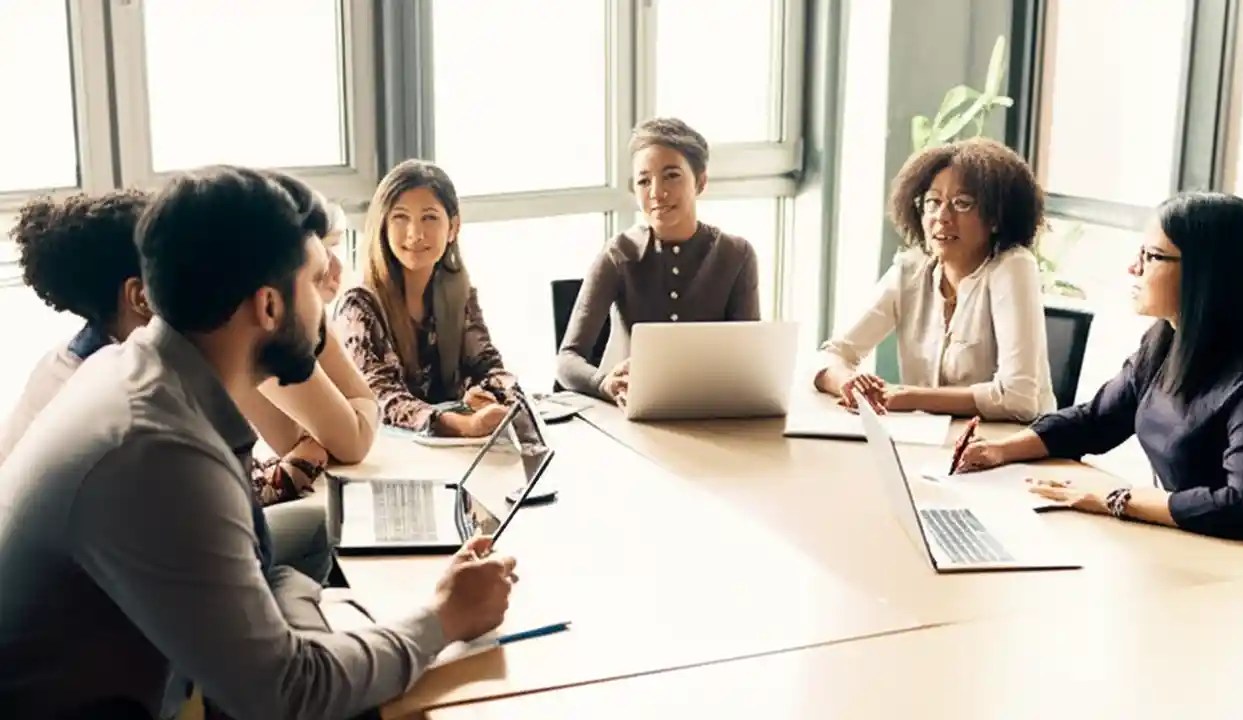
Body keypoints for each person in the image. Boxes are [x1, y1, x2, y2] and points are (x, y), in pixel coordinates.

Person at [0, 166, 517, 719]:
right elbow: (287, 694)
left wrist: (312, 622)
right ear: (269, 308)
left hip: (148, 681)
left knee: (320, 577)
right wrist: (444, 617)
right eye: (315, 281)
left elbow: (263, 572)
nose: (326, 303)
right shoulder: (157, 448)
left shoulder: (140, 370)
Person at [0, 188, 377, 583]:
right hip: (102, 589)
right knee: (324, 531)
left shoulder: (105, 358)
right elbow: (223, 495)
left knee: (318, 530)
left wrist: (296, 318)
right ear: (142, 297)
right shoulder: (126, 391)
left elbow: (285, 438)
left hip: (109, 569)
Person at [959, 192, 1243, 541]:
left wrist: (1116, 500)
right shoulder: (1164, 341)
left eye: (1151, 256)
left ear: (1206, 272)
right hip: (1192, 543)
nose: (1133, 268)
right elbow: (1095, 421)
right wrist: (999, 450)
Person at [814, 137, 1055, 422]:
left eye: (962, 204)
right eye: (933, 202)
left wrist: (909, 397)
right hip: (928, 439)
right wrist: (848, 383)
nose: (942, 216)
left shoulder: (1013, 267)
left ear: (996, 218)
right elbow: (832, 353)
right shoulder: (911, 270)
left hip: (1009, 442)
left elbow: (1019, 399)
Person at [555, 117, 761, 404]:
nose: (656, 193)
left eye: (671, 176)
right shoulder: (618, 254)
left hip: (713, 409)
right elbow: (567, 360)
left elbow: (750, 358)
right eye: (644, 181)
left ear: (700, 182)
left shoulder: (737, 254)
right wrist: (603, 383)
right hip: (632, 414)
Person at [335, 159, 517, 436]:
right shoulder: (358, 306)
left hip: (453, 449)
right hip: (382, 452)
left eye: (429, 218)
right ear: (382, 225)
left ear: (453, 227)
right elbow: (382, 397)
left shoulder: (459, 293)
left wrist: (488, 395)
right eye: (400, 217)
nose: (415, 234)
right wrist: (463, 425)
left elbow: (488, 366)